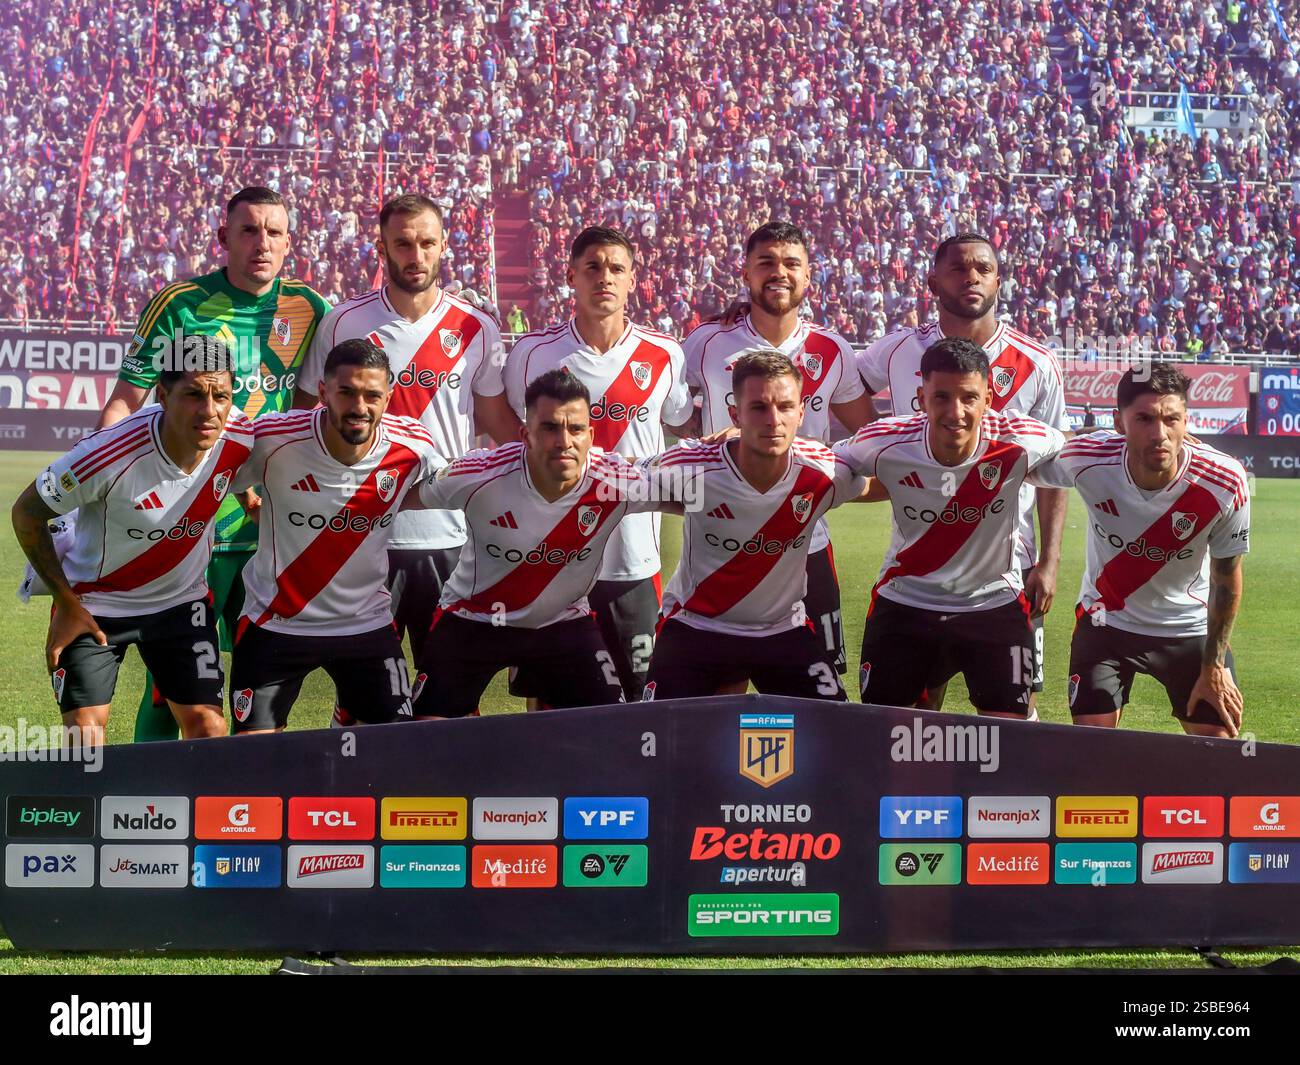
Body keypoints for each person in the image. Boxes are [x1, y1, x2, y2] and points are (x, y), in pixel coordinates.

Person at [98, 186, 332, 742]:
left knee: (262, 684)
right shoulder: (179, 304)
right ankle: (153, 791)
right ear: (223, 237)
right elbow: (126, 400)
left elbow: (307, 410)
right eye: (248, 230)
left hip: (269, 528)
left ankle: (246, 791)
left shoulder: (311, 309)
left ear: (289, 242)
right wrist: (104, 480)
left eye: (274, 232)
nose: (261, 243)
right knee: (172, 688)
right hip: (189, 526)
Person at [294, 194, 517, 664]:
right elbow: (306, 417)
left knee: (447, 686)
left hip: (449, 531)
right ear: (382, 248)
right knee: (366, 691)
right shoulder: (342, 323)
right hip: (365, 531)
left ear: (444, 245)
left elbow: (497, 421)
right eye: (403, 244)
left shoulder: (477, 327)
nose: (416, 256)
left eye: (427, 243)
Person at [856, 233, 1069, 710]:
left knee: (1011, 711)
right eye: (958, 268)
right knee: (915, 711)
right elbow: (834, 382)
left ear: (998, 281)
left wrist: (1050, 562)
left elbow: (1055, 472)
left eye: (983, 268)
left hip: (1007, 568)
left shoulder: (1037, 362)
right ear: (933, 282)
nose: (971, 277)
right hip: (919, 564)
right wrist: (890, 457)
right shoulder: (897, 350)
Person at [11, 337, 253, 745]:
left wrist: (248, 497)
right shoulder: (108, 453)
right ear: (163, 395)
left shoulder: (240, 435)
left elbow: (241, 467)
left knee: (210, 730)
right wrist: (66, 603)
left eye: (221, 396)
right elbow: (27, 513)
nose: (209, 411)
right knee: (84, 740)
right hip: (94, 605)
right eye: (193, 394)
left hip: (180, 604)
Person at [502, 226, 693, 701]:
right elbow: (512, 437)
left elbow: (682, 427)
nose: (604, 277)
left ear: (632, 279)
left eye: (616, 268)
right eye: (592, 267)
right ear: (572, 276)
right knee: (549, 699)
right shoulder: (532, 354)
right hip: (552, 556)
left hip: (632, 559)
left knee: (637, 698)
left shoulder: (664, 354)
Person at [408, 368, 663, 717]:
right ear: (525, 435)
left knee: (607, 728)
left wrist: (728, 447)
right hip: (473, 618)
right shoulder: (477, 474)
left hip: (562, 621)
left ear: (590, 436)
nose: (564, 441)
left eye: (576, 429)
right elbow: (396, 498)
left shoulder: (616, 481)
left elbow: (696, 491)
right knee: (426, 732)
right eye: (550, 428)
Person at [682, 221, 876, 677]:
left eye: (791, 263)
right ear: (746, 272)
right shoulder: (705, 343)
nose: (779, 272)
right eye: (766, 262)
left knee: (816, 695)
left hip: (805, 542)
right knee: (719, 691)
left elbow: (870, 435)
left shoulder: (831, 349)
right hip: (718, 545)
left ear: (808, 275)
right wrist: (718, 441)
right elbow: (677, 417)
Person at [227, 339, 444, 733]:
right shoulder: (274, 439)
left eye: (372, 395)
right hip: (276, 622)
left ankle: (349, 713)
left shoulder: (414, 446)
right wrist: (251, 502)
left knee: (397, 748)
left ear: (389, 397)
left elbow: (444, 487)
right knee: (252, 755)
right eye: (346, 392)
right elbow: (221, 470)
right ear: (323, 392)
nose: (360, 407)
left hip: (365, 624)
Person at [1029, 365, 1249, 738]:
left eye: (1171, 419)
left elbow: (1226, 579)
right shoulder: (1087, 458)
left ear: (1186, 421)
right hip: (1106, 623)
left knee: (1218, 749)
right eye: (1144, 419)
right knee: (1093, 749)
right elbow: (1018, 459)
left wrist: (1213, 666)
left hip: (1188, 628)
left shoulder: (1224, 481)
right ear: (1119, 423)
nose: (1159, 434)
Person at [644, 352, 868, 701]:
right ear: (735, 414)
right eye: (759, 407)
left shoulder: (825, 470)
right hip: (697, 626)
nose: (773, 420)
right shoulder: (689, 466)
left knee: (833, 724)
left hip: (781, 629)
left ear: (801, 412)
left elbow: (875, 484)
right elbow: (615, 480)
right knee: (659, 729)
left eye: (785, 406)